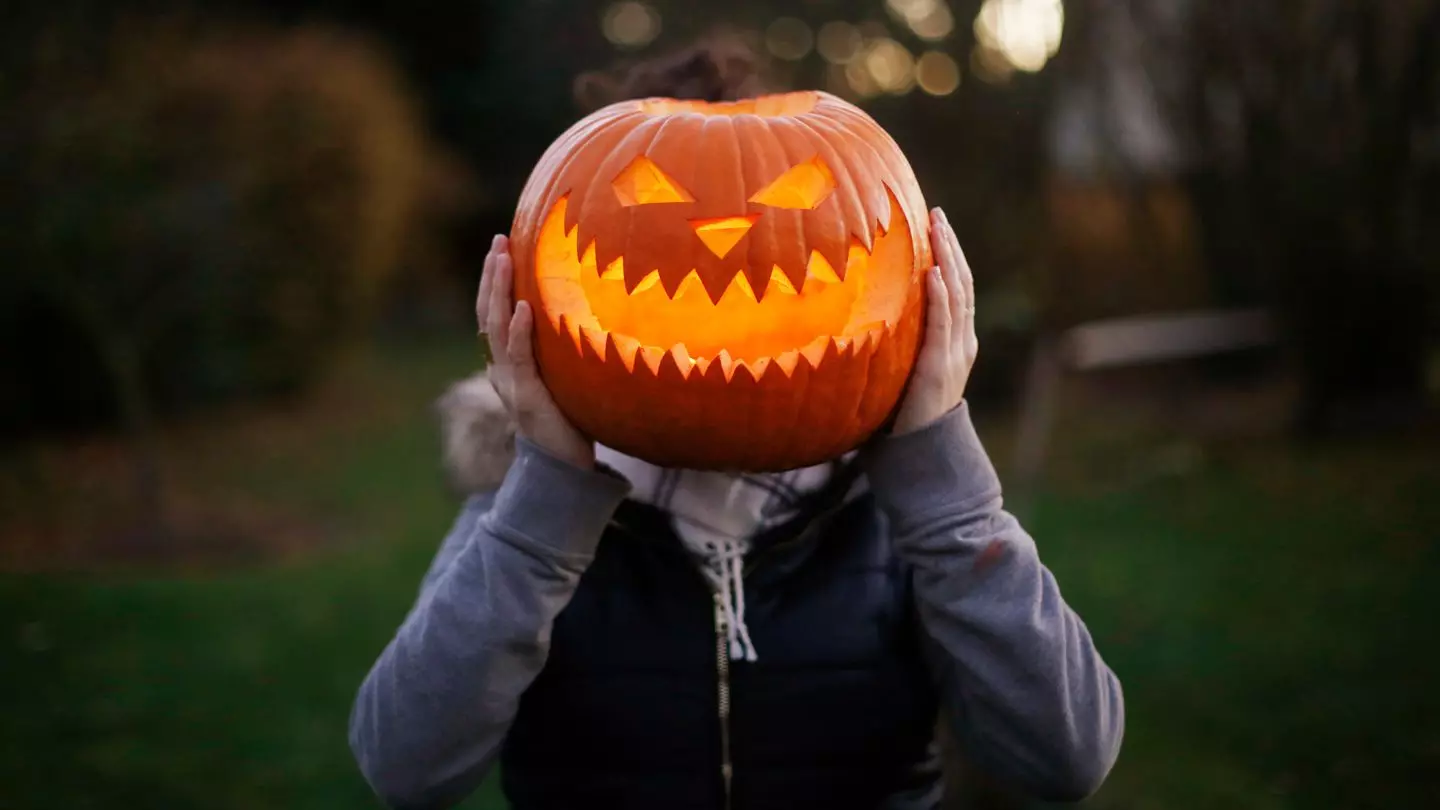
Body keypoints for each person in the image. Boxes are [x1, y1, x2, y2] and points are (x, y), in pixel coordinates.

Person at [349, 37, 1123, 810]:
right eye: (649, 197)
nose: (723, 235)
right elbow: (405, 771)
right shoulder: (524, 517)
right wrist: (546, 493)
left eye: (791, 196)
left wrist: (941, 480)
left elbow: (1065, 760)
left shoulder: (906, 521)